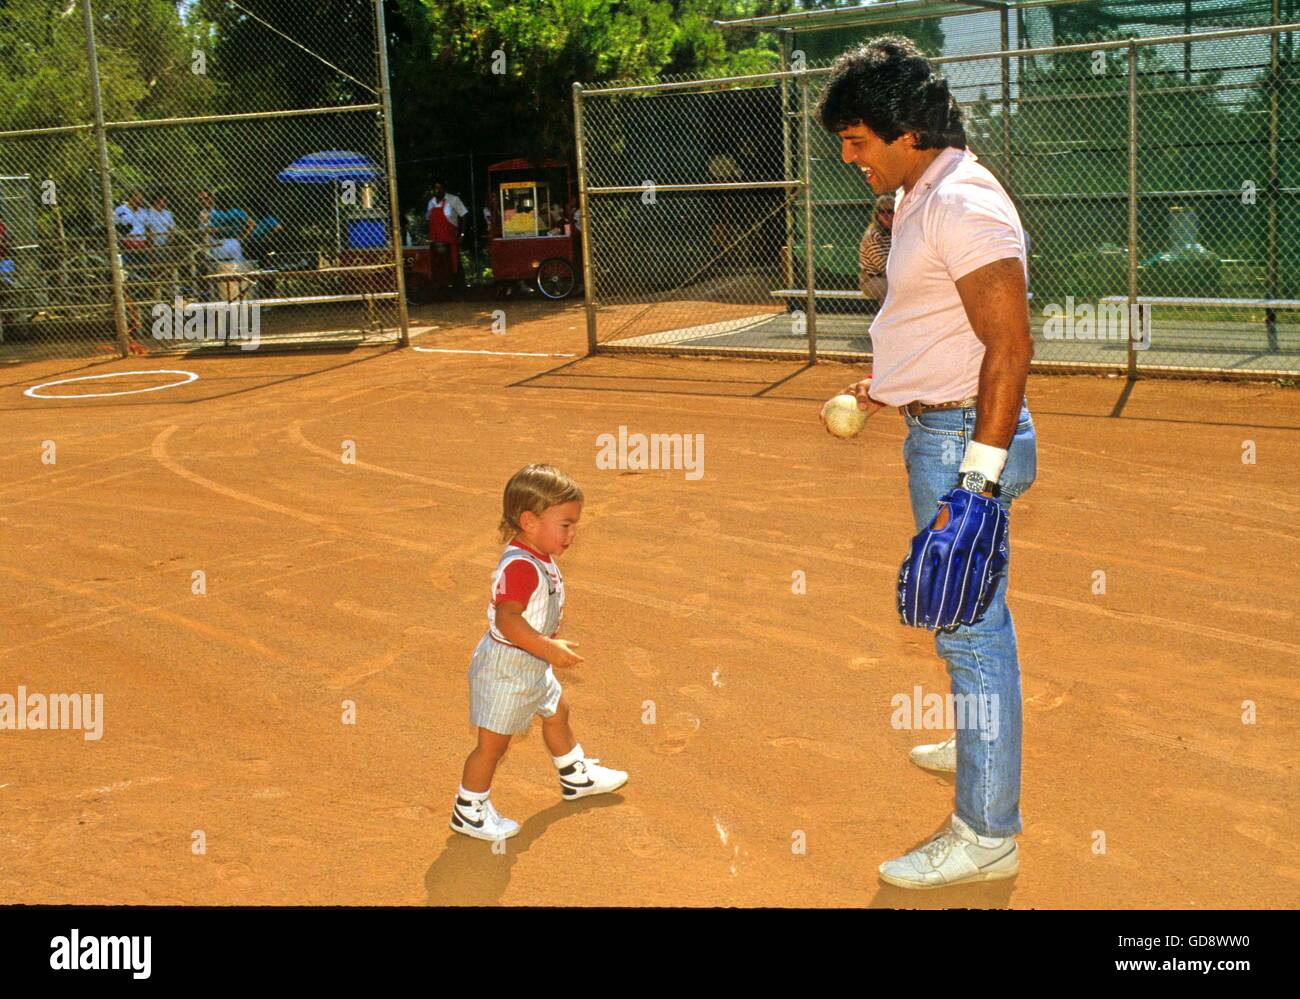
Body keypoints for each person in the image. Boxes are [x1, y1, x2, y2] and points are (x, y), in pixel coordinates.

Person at [815, 35, 1037, 889]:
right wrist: (886, 386)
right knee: (963, 616)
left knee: (973, 632)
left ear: (906, 131)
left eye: (857, 140)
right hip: (941, 426)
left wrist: (975, 484)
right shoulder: (921, 192)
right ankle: (981, 738)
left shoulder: (963, 202)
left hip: (962, 443)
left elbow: (1009, 347)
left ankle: (986, 832)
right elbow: (937, 322)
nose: (850, 157)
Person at [451, 464, 628, 842]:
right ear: (529, 521)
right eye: (565, 524)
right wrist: (548, 648)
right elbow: (508, 619)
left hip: (529, 663)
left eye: (575, 524)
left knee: (556, 712)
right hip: (507, 671)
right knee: (492, 747)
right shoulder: (521, 568)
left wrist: (543, 652)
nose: (572, 533)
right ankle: (469, 809)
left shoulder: (537, 556)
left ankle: (574, 775)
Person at [426, 179, 468, 292]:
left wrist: (462, 234)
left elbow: (464, 215)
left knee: (453, 263)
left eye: (440, 188)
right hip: (436, 240)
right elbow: (429, 221)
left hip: (450, 239)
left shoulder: (454, 200)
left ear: (444, 189)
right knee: (438, 266)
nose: (437, 190)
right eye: (435, 188)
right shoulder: (431, 203)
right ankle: (441, 290)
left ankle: (458, 289)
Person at [858, 191, 895, 302]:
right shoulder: (873, 235)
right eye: (881, 211)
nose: (885, 215)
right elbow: (884, 266)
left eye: (890, 211)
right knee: (893, 288)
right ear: (877, 215)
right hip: (872, 278)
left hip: (894, 273)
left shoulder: (898, 231)